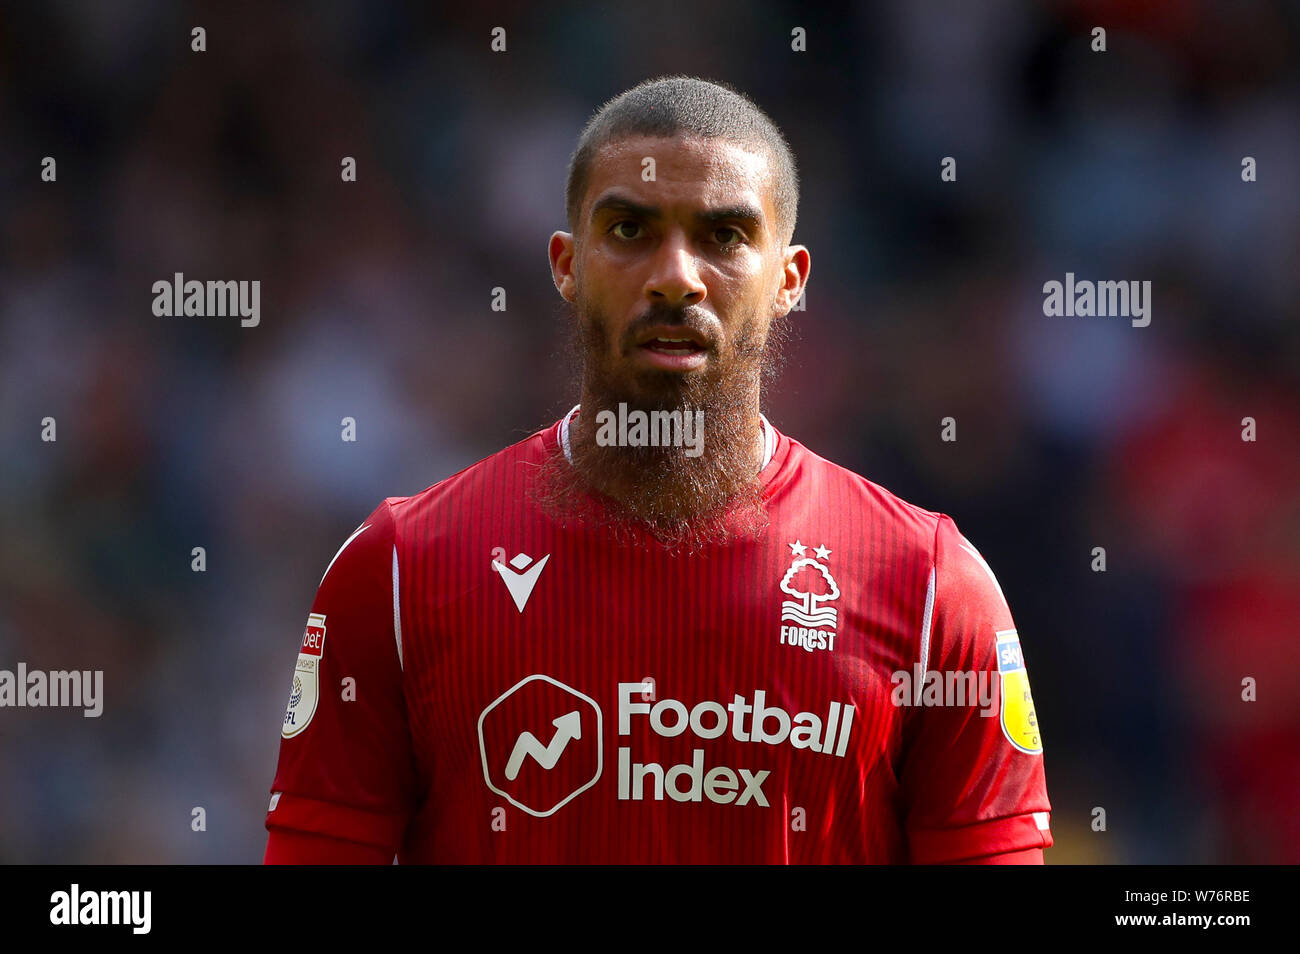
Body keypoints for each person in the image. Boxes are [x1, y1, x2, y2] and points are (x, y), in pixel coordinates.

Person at [263, 75, 1052, 863]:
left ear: (790, 280)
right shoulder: (400, 571)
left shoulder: (929, 589)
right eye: (631, 229)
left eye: (725, 236)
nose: (676, 275)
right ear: (567, 267)